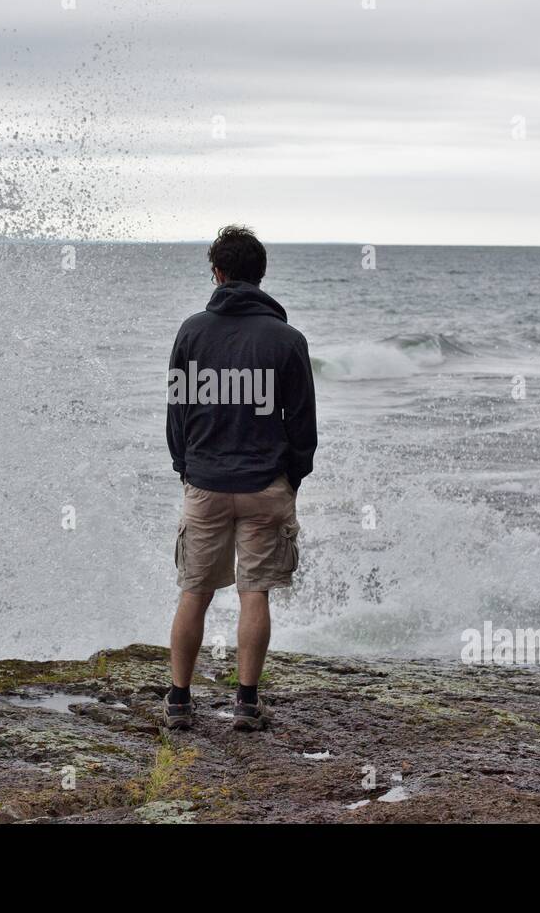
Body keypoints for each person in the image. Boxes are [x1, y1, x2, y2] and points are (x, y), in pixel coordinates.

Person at [164, 225, 317, 731]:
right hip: (265, 486)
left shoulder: (191, 332)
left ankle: (179, 702)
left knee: (194, 591)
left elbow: (177, 415)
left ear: (218, 272)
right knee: (255, 593)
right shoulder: (288, 340)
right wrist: (291, 478)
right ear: (261, 275)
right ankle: (246, 704)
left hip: (205, 484)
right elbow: (302, 426)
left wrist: (187, 469)